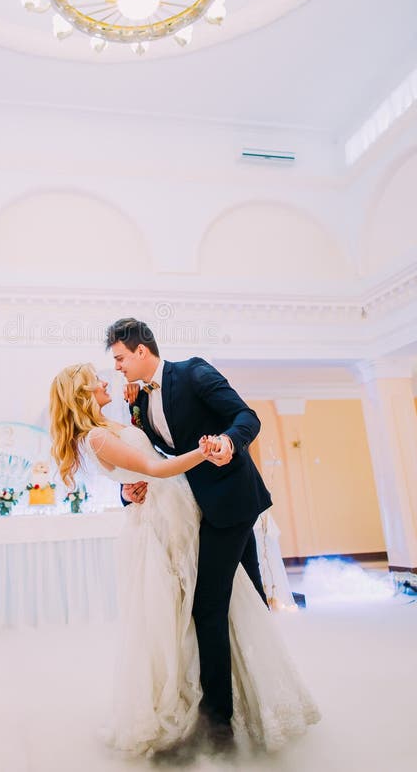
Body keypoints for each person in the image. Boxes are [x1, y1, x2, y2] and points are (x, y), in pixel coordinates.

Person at [49, 362, 320, 757]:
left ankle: (232, 705)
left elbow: (140, 460)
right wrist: (204, 451)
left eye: (114, 365)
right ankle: (200, 715)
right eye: (97, 378)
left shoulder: (110, 425)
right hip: (164, 528)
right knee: (181, 618)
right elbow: (155, 467)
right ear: (82, 393)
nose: (108, 378)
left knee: (221, 606)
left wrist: (136, 417)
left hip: (186, 515)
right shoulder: (95, 438)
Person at [105, 317, 272, 735]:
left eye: (121, 358)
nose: (118, 367)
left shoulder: (194, 371)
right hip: (195, 510)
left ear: (142, 351)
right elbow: (146, 463)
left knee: (208, 605)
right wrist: (128, 494)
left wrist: (229, 443)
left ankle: (220, 721)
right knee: (243, 603)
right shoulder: (139, 404)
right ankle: (253, 697)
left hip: (232, 501)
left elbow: (245, 416)